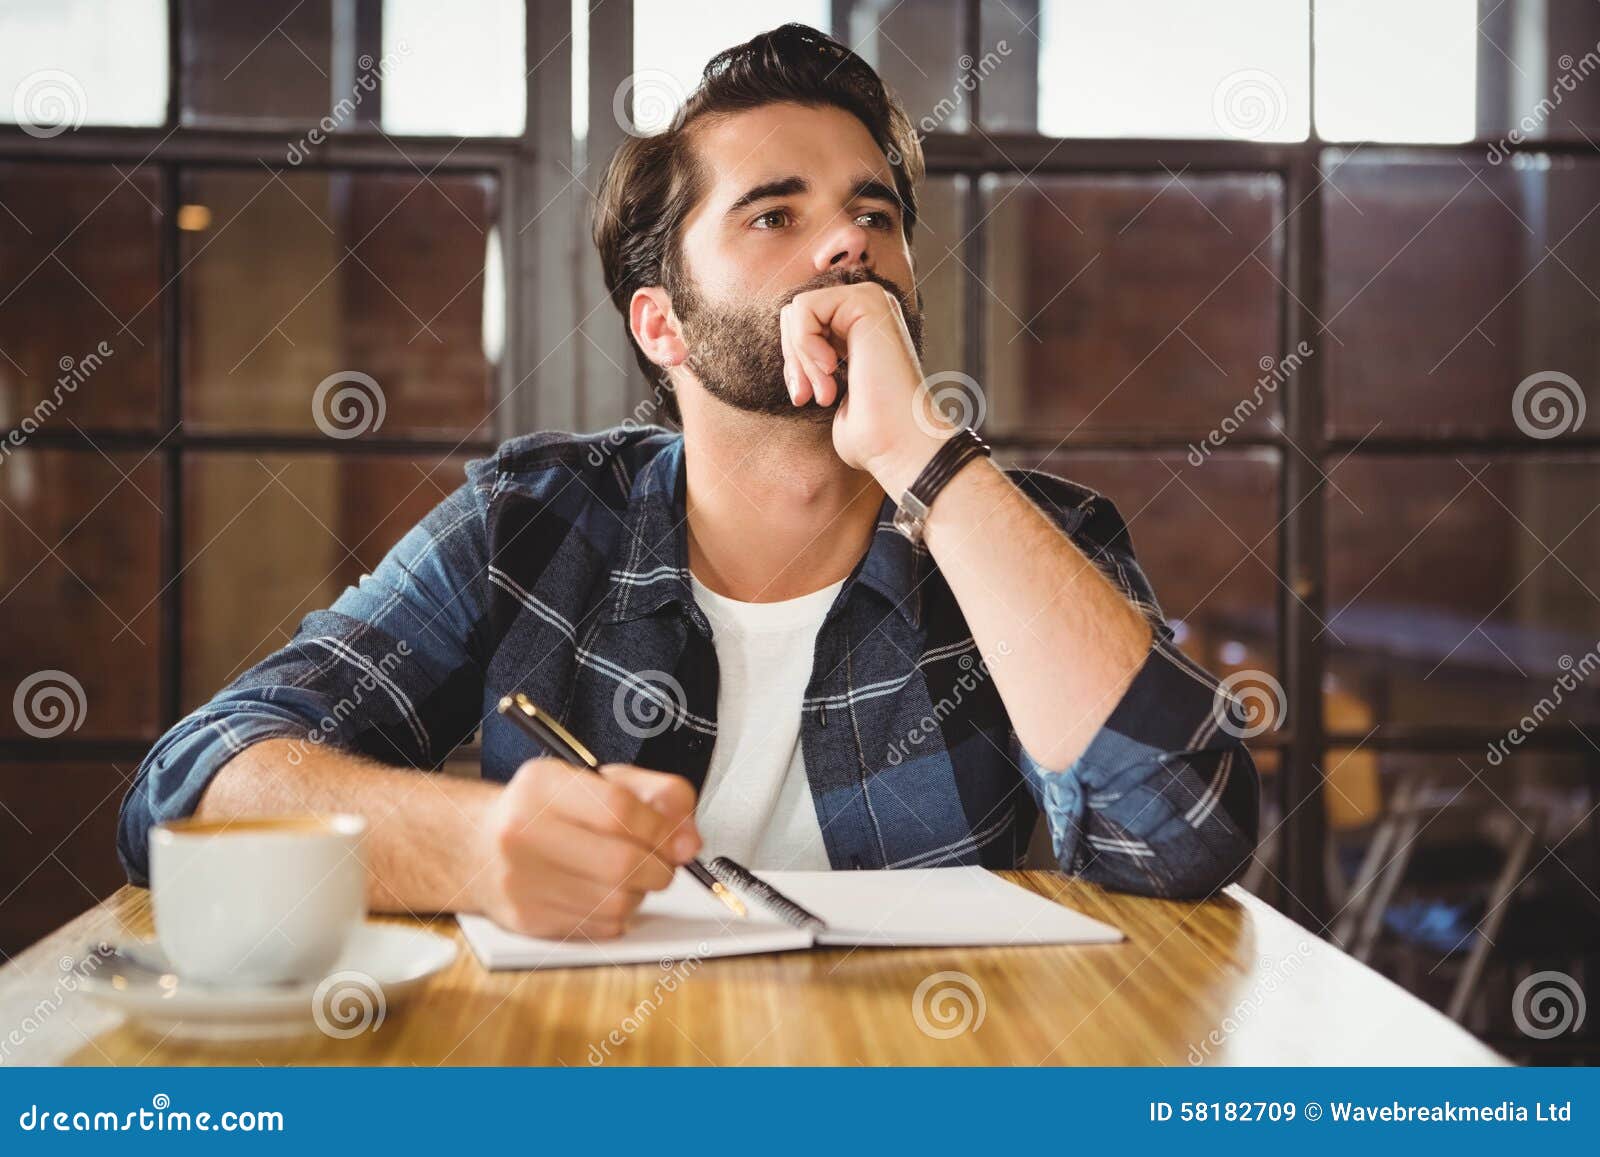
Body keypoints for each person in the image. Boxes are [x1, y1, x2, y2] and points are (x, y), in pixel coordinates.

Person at [119, 24, 1259, 940]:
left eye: (875, 212)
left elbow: (1184, 834)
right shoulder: (532, 518)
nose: (846, 245)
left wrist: (922, 452)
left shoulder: (1030, 535)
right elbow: (194, 781)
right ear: (661, 323)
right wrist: (473, 844)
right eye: (776, 212)